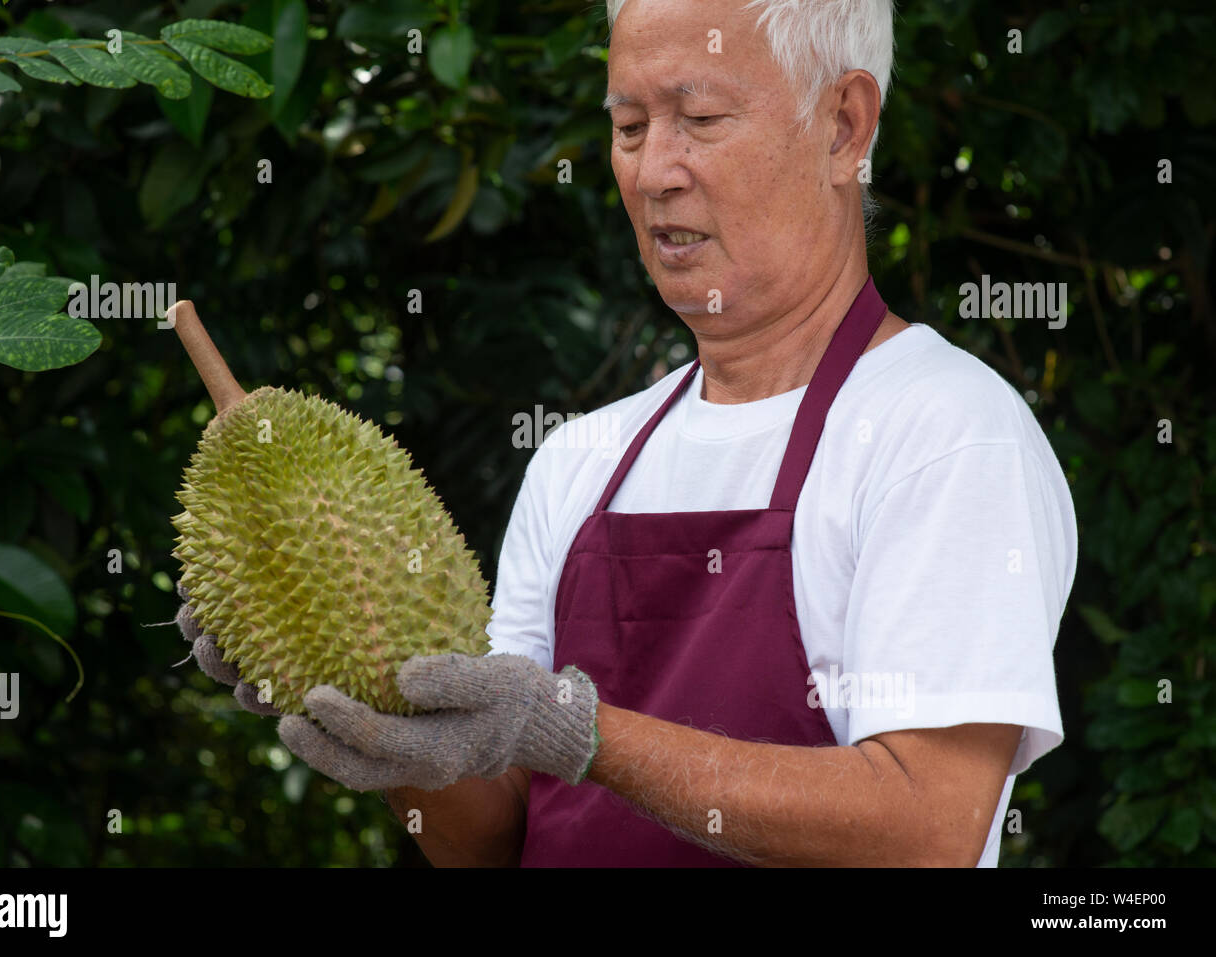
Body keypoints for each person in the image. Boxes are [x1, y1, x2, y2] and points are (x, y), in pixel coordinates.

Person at [178, 0, 1077, 867]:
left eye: (702, 116)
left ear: (843, 127)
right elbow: (496, 840)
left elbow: (926, 830)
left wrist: (580, 729)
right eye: (631, 126)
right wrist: (381, 722)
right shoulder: (580, 459)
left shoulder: (945, 433)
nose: (655, 172)